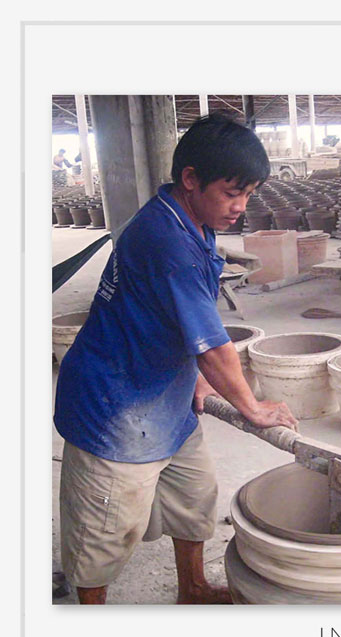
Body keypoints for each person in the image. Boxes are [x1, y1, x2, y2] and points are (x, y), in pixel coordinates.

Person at [54, 113, 298, 604]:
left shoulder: (189, 220)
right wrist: (252, 406)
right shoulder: (166, 240)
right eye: (232, 193)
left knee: (194, 498)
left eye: (249, 194)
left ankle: (193, 588)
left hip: (165, 393)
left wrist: (198, 380)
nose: (240, 208)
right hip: (115, 403)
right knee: (105, 532)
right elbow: (211, 344)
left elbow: (177, 317)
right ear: (190, 178)